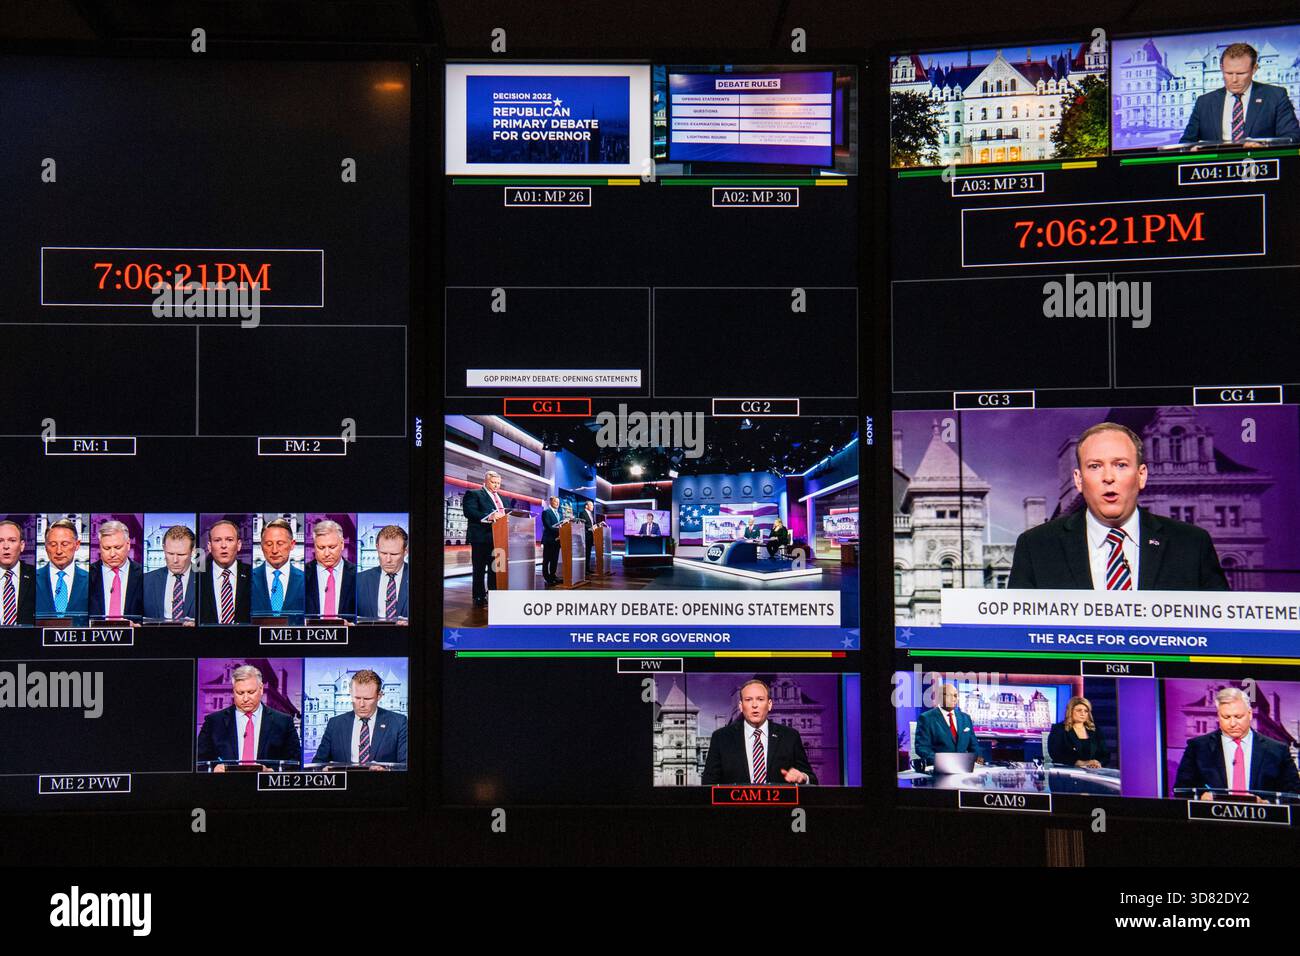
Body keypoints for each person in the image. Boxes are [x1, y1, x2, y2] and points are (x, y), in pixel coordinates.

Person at [1009, 422, 1228, 590]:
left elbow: (1221, 629)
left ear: (1141, 476)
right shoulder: (1036, 547)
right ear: (1079, 480)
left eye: (1121, 465)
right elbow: (1018, 632)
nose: (1108, 477)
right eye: (1095, 466)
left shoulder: (1192, 544)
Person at [1174, 686, 1300, 800]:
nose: (1233, 723)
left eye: (1238, 717)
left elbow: (1294, 794)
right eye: (1226, 717)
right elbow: (1181, 791)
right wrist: (1200, 797)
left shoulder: (1278, 751)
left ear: (1250, 714)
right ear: (1218, 716)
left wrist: (1267, 803)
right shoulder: (1197, 748)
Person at [701, 679, 817, 785]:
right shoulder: (721, 738)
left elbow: (813, 780)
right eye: (748, 700)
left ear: (769, 705)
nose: (754, 705)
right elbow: (708, 783)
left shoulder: (790, 737)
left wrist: (803, 777)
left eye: (760, 699)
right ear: (741, 706)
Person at [1180, 43, 1300, 146]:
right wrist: (1191, 149)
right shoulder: (1204, 102)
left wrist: (1264, 147)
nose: (1234, 80)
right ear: (1221, 68)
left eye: (1241, 73)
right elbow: (1186, 143)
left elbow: (1293, 137)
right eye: (1228, 73)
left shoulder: (1276, 96)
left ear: (1254, 69)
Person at [196, 664, 302, 770]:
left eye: (251, 692)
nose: (245, 698)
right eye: (240, 693)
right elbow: (198, 761)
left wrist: (272, 771)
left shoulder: (283, 722)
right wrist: (213, 768)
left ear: (261, 689)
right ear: (233, 691)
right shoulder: (213, 722)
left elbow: (295, 761)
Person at [311, 669, 408, 767]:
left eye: (367, 699)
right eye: (357, 698)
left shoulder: (398, 723)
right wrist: (324, 769)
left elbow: (406, 765)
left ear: (379, 696)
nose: (361, 704)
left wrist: (387, 771)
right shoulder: (334, 724)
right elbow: (318, 763)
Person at [461, 471, 508, 608]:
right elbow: (469, 512)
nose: (496, 485)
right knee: (479, 569)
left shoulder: (504, 499)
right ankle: (479, 596)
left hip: (499, 538)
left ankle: (494, 594)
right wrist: (489, 516)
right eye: (494, 482)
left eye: (498, 483)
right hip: (481, 538)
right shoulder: (474, 494)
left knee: (496, 569)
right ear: (486, 481)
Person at [914, 683, 983, 767]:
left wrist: (978, 759)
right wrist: (943, 762)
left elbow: (974, 746)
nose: (954, 699)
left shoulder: (965, 718)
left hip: (964, 768)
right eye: (950, 695)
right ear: (940, 697)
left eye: (955, 695)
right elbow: (922, 748)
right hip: (939, 768)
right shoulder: (926, 718)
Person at [250, 517, 305, 621]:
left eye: (280, 543)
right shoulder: (248, 580)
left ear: (292, 545)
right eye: (269, 544)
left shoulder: (306, 580)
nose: (274, 550)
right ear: (261, 546)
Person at [88, 520, 144, 619]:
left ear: (128, 544)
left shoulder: (143, 575)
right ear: (100, 547)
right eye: (107, 548)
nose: (112, 554)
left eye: (117, 547)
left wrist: (139, 625)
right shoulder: (88, 574)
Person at [35, 518, 89, 622]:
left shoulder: (90, 580)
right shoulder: (33, 580)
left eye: (65, 544)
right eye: (53, 544)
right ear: (46, 547)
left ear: (77, 545)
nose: (59, 551)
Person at [199, 519, 251, 624]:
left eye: (229, 540)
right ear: (209, 546)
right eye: (217, 540)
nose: (223, 545)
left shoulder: (251, 575)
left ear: (239, 545)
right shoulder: (198, 577)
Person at [142, 524, 198, 622]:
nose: (175, 560)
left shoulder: (205, 579)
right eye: (170, 554)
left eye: (181, 554)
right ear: (164, 548)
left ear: (193, 551)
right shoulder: (145, 581)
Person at [304, 519, 356, 618]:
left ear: (342, 544)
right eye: (321, 548)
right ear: (314, 546)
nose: (327, 553)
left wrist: (352, 624)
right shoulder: (303, 574)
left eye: (332, 547)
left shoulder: (356, 575)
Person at [357, 524, 410, 621]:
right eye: (383, 553)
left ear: (405, 551)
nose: (388, 560)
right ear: (377, 548)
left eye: (394, 554)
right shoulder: (359, 580)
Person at [1047, 696, 1110, 768]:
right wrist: (1080, 762)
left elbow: (1105, 754)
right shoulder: (1059, 729)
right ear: (1070, 711)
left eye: (1086, 711)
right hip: (1066, 771)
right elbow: (1056, 753)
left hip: (1092, 772)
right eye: (1079, 710)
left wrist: (1099, 763)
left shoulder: (1095, 730)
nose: (1083, 713)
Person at [0, 519, 35, 626]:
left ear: (22, 545)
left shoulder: (36, 576)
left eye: (12, 540)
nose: (6, 546)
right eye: (0, 541)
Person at [540, 496, 564, 585]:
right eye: (555, 501)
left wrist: (562, 532)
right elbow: (548, 526)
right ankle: (547, 578)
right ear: (551, 502)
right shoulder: (546, 512)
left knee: (554, 560)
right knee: (546, 560)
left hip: (558, 540)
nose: (557, 503)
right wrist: (560, 531)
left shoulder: (560, 514)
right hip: (549, 540)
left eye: (558, 502)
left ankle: (553, 576)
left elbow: (562, 525)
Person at [578, 501, 597, 571]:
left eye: (592, 505)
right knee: (585, 553)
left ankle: (587, 569)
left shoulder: (591, 514)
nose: (593, 507)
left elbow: (593, 524)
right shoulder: (582, 513)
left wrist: (596, 526)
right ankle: (584, 569)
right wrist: (590, 527)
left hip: (591, 536)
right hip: (585, 536)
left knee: (588, 553)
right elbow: (582, 524)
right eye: (591, 505)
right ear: (586, 506)